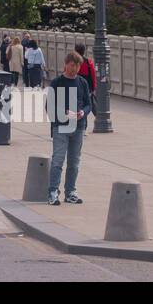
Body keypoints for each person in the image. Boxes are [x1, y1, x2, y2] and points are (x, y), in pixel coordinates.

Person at [47, 52, 90, 206]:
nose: (75, 68)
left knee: (74, 162)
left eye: (78, 65)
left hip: (78, 127)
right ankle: (53, 191)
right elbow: (49, 107)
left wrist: (82, 112)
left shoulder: (82, 82)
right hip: (61, 127)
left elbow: (88, 104)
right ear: (65, 64)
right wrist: (63, 114)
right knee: (58, 160)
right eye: (72, 65)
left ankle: (70, 192)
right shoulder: (57, 82)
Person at [75, 42, 99, 119]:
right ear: (84, 51)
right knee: (89, 104)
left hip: (75, 87)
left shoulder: (72, 62)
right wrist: (94, 88)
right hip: (88, 88)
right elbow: (93, 75)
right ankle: (98, 116)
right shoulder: (88, 62)